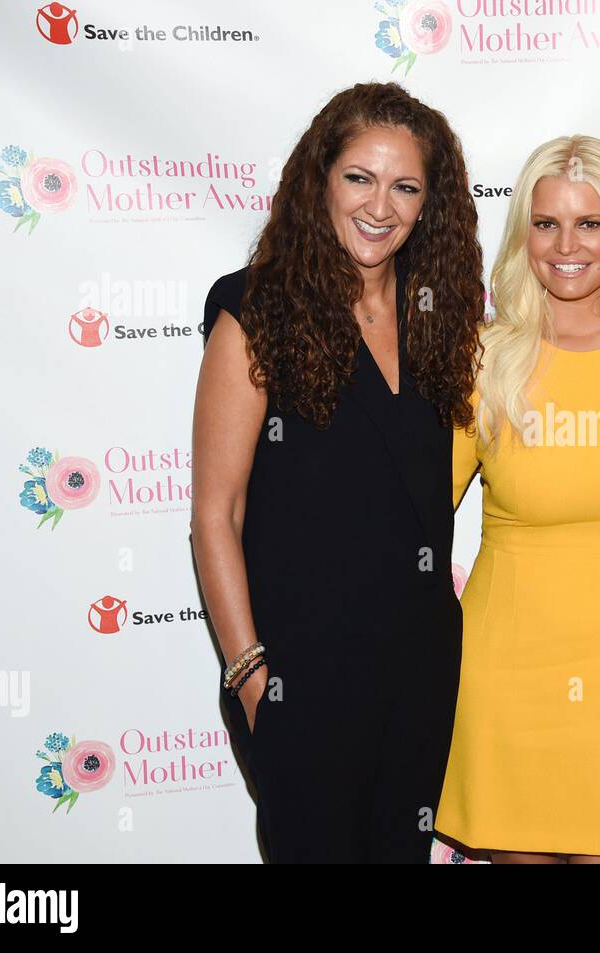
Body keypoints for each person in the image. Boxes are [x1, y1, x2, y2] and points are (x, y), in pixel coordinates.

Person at [191, 82, 483, 862]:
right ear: (320, 177)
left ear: (430, 205)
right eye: (360, 176)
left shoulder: (443, 318)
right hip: (300, 680)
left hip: (420, 677)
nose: (380, 205)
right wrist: (253, 676)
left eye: (405, 186)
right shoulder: (256, 308)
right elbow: (215, 512)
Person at [434, 135, 600, 863]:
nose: (566, 245)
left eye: (589, 222)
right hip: (508, 685)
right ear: (522, 232)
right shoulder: (484, 361)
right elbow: (408, 515)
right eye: (545, 222)